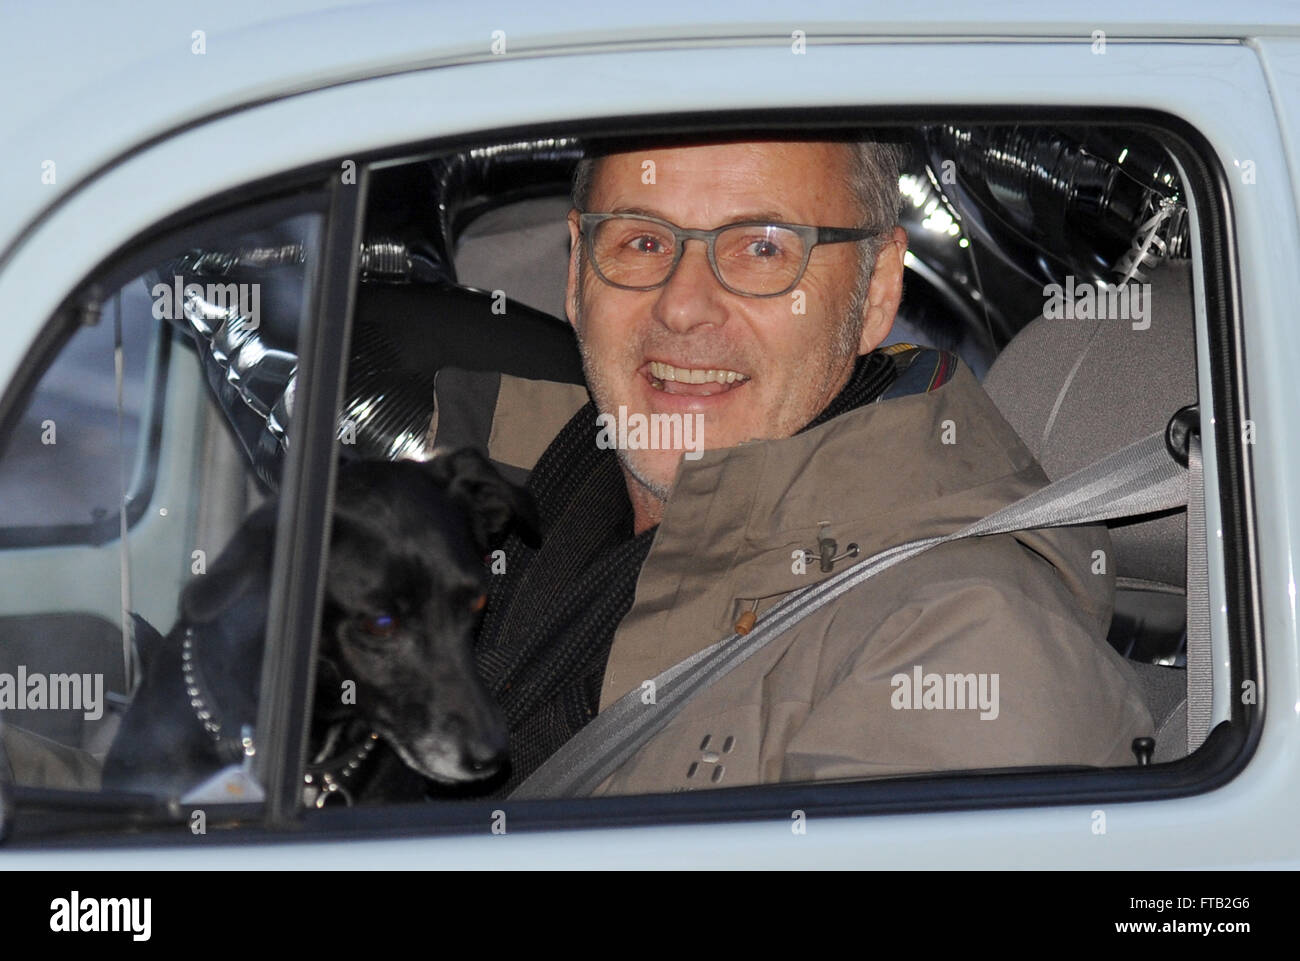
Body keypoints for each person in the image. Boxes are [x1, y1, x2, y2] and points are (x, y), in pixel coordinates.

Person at [472, 133, 1153, 796]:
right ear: (576, 271)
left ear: (876, 292)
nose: (682, 306)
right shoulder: (480, 498)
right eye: (643, 241)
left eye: (764, 248)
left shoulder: (971, 648)